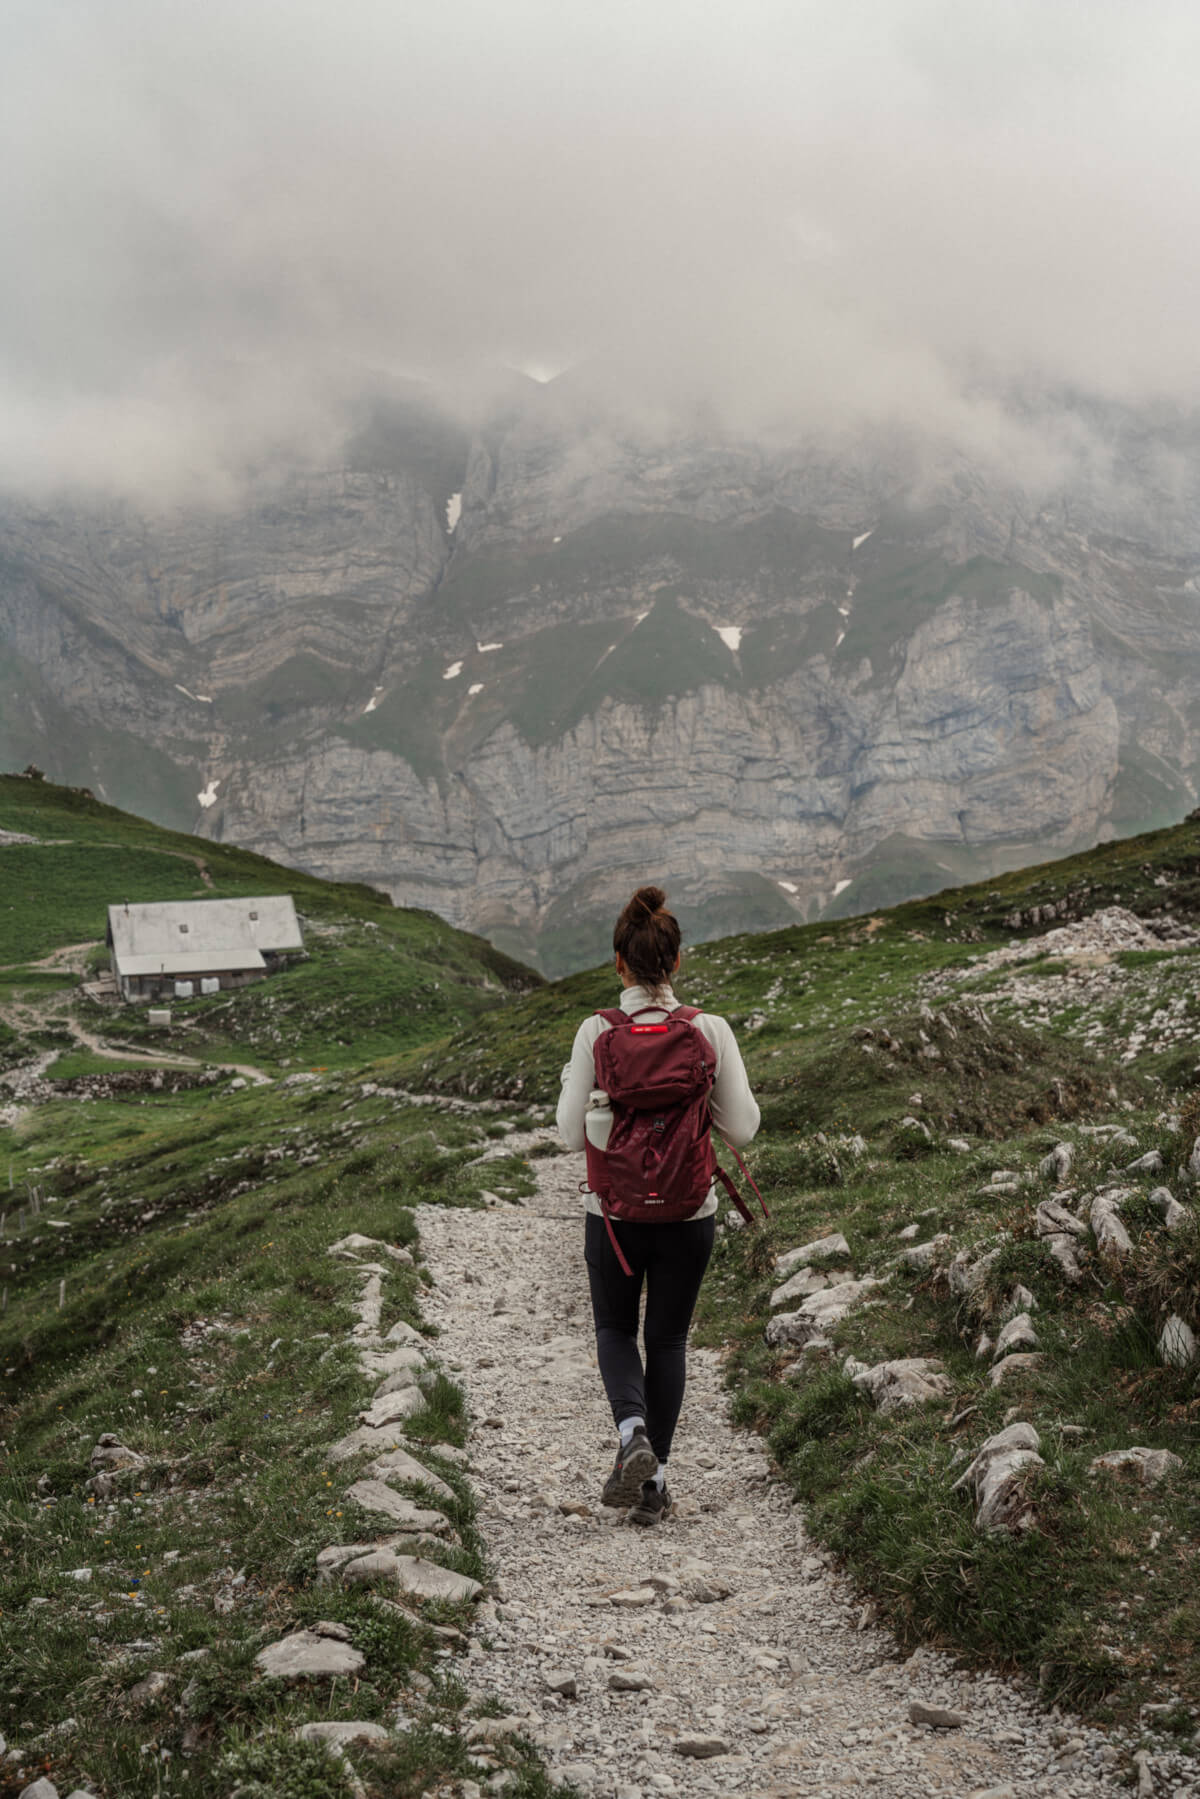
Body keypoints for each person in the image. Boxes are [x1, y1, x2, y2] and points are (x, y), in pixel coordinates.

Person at [557, 885, 760, 1525]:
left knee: (616, 1331)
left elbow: (568, 1134)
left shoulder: (596, 1032)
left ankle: (630, 1435)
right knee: (667, 1339)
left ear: (619, 963)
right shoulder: (708, 1029)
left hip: (613, 1216)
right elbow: (744, 1127)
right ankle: (655, 1486)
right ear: (676, 963)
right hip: (689, 1211)